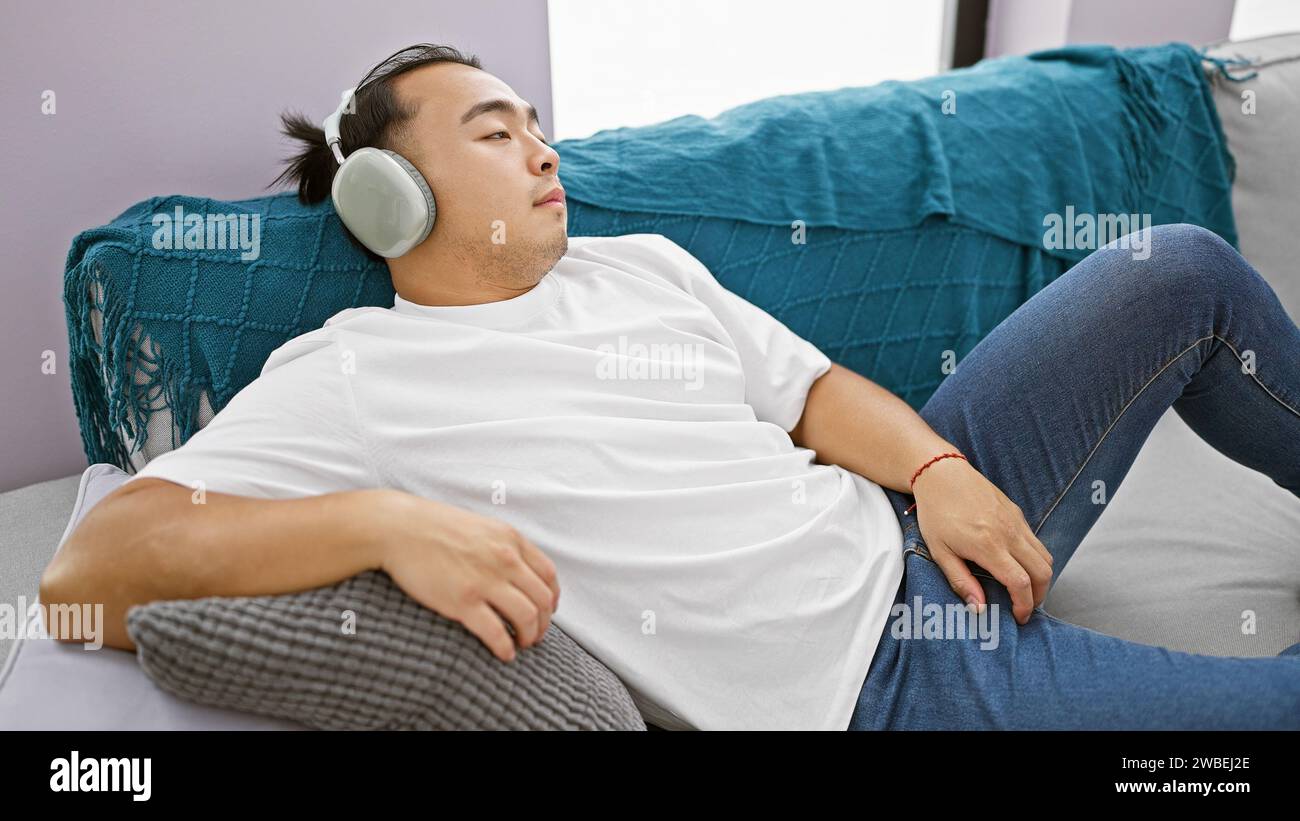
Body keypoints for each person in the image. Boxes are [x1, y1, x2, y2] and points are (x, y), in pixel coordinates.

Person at [42, 44, 1300, 731]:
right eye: (492, 131)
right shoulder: (355, 378)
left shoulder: (635, 265)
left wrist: (939, 469)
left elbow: (812, 395)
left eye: (532, 120)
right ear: (389, 195)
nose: (541, 148)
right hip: (880, 685)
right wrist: (381, 523)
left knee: (1174, 270)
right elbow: (87, 574)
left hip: (912, 525)